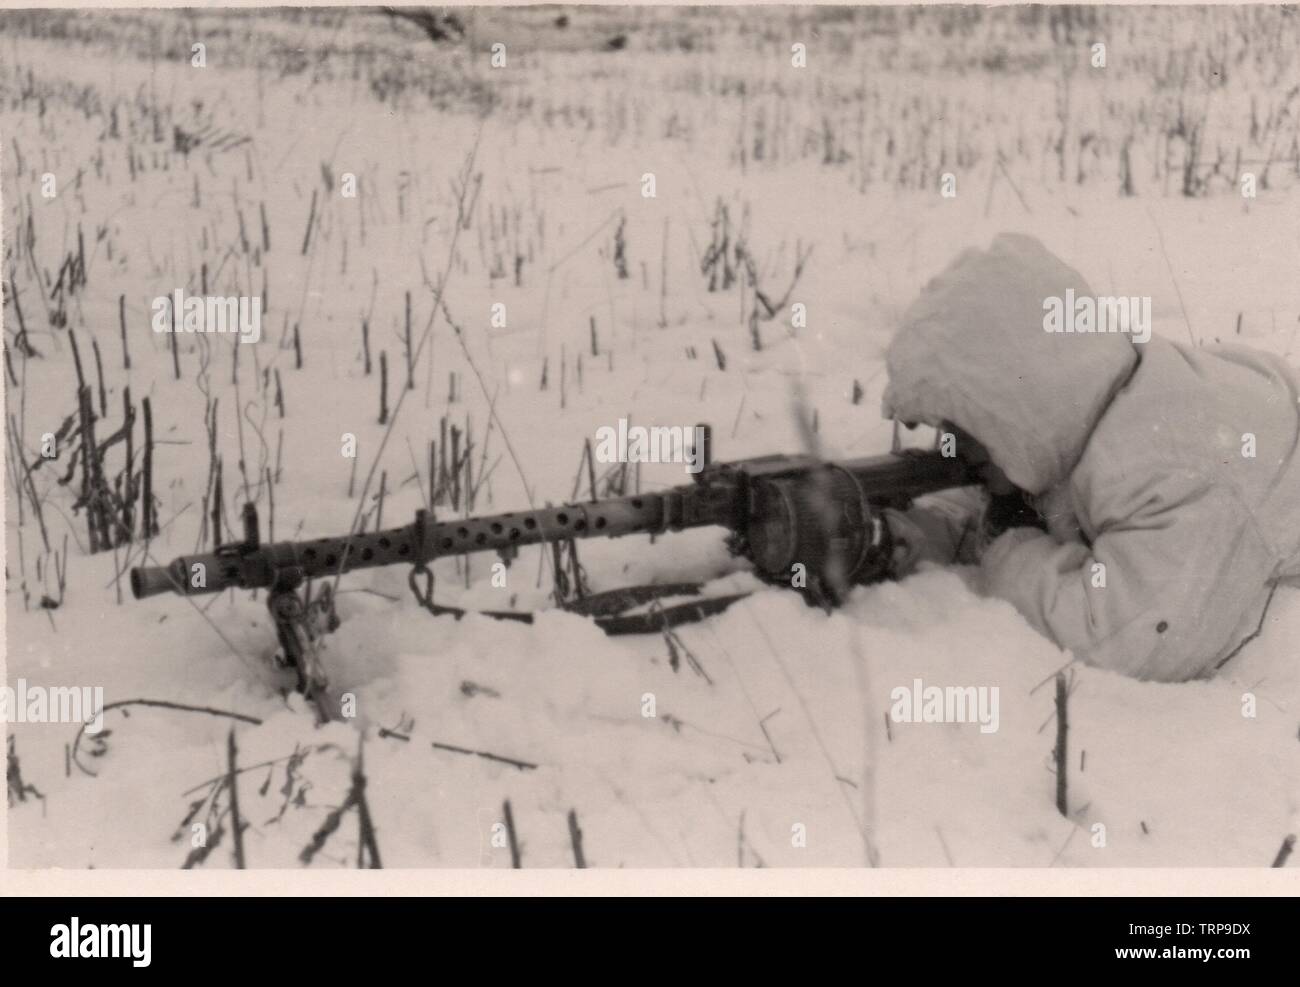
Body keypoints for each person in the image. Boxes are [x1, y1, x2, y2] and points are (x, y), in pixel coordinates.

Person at [882, 233, 1300, 682]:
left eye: (962, 424)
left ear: (1017, 405)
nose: (950, 445)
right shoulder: (1087, 412)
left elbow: (1124, 642)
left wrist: (1007, 543)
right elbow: (1004, 497)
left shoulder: (1179, 473)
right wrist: (907, 530)